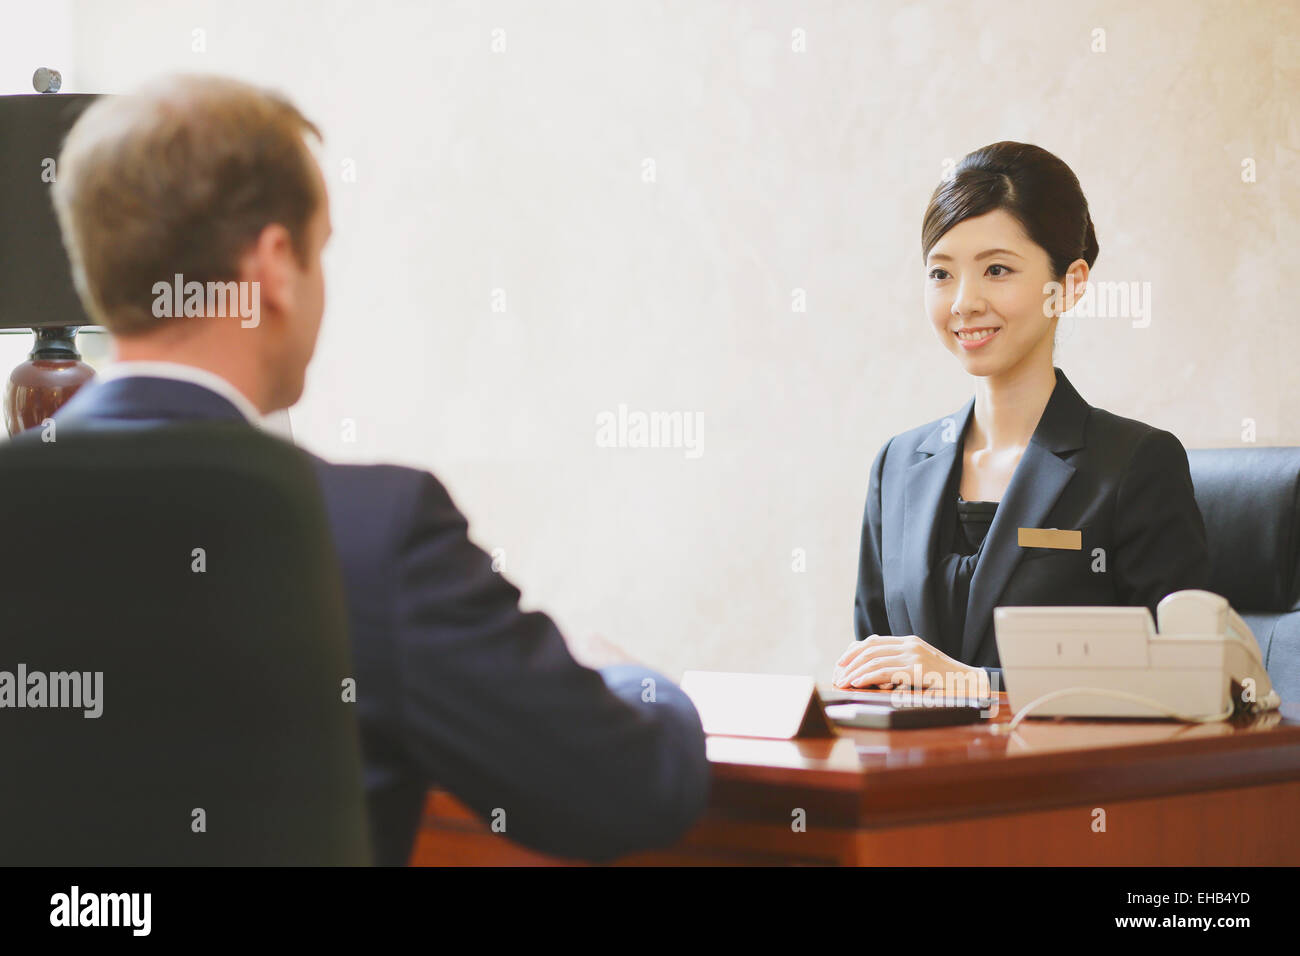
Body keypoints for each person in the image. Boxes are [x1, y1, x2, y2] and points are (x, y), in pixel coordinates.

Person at [49, 74, 710, 866]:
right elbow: (628, 791)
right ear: (275, 265)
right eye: (320, 250)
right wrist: (638, 682)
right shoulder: (369, 536)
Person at [834, 142, 1210, 695]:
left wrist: (979, 684)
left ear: (1070, 285)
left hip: (1066, 779)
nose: (964, 301)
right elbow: (872, 671)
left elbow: (1182, 684)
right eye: (941, 273)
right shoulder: (897, 466)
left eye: (997, 269)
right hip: (915, 779)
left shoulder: (1135, 464)